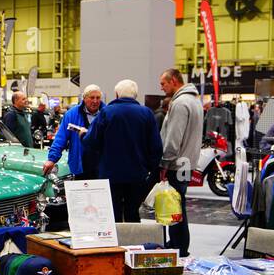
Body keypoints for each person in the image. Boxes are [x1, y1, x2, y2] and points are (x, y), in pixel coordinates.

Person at [82, 79, 162, 222]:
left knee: (113, 213)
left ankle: (115, 243)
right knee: (133, 213)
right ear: (135, 95)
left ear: (117, 94)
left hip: (110, 174)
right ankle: (132, 242)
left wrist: (83, 134)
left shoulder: (107, 112)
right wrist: (150, 169)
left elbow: (91, 141)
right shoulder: (147, 114)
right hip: (137, 174)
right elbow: (156, 147)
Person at [158, 68, 203, 258]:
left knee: (174, 206)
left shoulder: (180, 103)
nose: (161, 88)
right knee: (178, 204)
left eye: (163, 83)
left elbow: (173, 139)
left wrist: (164, 163)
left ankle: (179, 247)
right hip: (187, 161)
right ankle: (177, 243)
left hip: (176, 163)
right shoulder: (194, 101)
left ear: (174, 80)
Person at [44, 85, 103, 178]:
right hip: (80, 165)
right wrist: (52, 159)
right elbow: (61, 138)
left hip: (101, 166)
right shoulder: (72, 114)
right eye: (92, 98)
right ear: (84, 98)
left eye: (98, 98)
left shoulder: (106, 113)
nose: (95, 101)